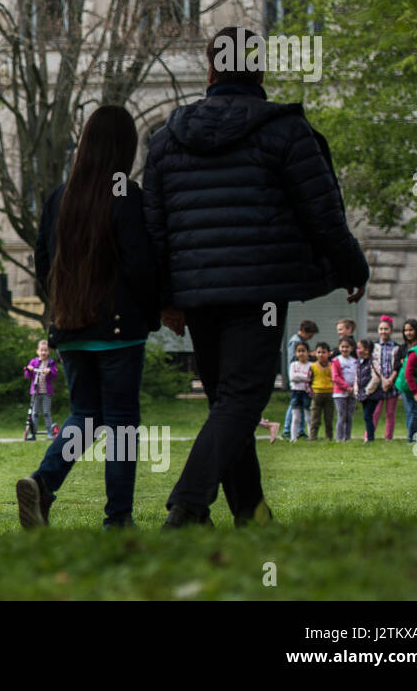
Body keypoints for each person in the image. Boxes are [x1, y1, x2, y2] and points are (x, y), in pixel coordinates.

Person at [143, 26, 368, 527]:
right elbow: (323, 212)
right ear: (260, 69)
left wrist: (165, 295)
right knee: (242, 399)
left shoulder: (165, 140)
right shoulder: (285, 131)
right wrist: (352, 267)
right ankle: (188, 503)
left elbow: (153, 227)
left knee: (228, 400)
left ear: (210, 69)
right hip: (261, 288)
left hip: (197, 292)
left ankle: (250, 511)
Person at [16, 105, 160, 530]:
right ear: (124, 148)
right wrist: (151, 311)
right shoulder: (124, 194)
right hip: (117, 333)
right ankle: (118, 518)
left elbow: (44, 259)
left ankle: (42, 484)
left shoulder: (60, 196)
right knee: (120, 428)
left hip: (72, 329)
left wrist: (63, 304)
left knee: (85, 415)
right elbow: (139, 264)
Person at [281, 320, 319, 440]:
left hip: (303, 385)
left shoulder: (300, 341)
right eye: (310, 334)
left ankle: (300, 430)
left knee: (301, 408)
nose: (310, 337)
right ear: (304, 331)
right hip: (296, 383)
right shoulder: (295, 342)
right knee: (294, 408)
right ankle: (287, 429)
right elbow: (293, 359)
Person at [370, 316, 402, 441]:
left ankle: (388, 437)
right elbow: (373, 364)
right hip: (378, 384)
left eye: (386, 329)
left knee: (390, 412)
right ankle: (370, 435)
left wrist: (390, 380)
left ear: (391, 330)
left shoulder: (397, 347)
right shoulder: (374, 346)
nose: (383, 331)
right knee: (375, 412)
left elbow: (398, 365)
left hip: (392, 383)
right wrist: (382, 379)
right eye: (381, 329)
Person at [23, 341, 57, 440]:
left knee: (46, 412)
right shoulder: (34, 362)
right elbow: (27, 376)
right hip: (35, 392)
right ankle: (33, 433)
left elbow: (55, 374)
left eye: (45, 350)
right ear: (38, 351)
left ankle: (49, 432)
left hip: (46, 393)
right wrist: (29, 370)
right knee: (34, 413)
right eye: (41, 350)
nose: (43, 352)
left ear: (49, 351)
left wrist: (50, 371)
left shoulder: (51, 363)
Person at [331, 335, 358, 441]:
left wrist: (353, 388)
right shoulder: (336, 361)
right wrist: (347, 387)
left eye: (347, 347)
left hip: (352, 393)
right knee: (341, 415)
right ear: (339, 347)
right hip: (339, 393)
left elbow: (357, 375)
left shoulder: (355, 361)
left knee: (349, 416)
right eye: (342, 347)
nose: (345, 349)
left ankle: (347, 437)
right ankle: (339, 438)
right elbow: (335, 377)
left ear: (351, 348)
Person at [287, 341, 313, 441]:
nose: (301, 353)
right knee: (296, 417)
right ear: (295, 353)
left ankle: (311, 437)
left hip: (307, 392)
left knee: (308, 417)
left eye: (303, 351)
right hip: (295, 392)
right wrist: (305, 377)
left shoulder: (311, 365)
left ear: (308, 352)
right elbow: (292, 377)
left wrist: (300, 377)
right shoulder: (293, 365)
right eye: (299, 351)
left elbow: (311, 378)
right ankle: (293, 438)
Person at [309, 342, 336, 441]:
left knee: (328, 417)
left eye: (323, 352)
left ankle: (329, 437)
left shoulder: (332, 366)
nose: (321, 354)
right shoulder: (312, 366)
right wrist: (311, 392)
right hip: (317, 394)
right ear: (315, 353)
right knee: (315, 417)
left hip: (330, 393)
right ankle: (312, 437)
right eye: (319, 352)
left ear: (329, 353)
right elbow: (309, 380)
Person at [356, 338, 380, 443]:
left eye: (359, 348)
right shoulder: (360, 363)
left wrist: (367, 390)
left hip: (371, 394)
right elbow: (357, 377)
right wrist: (357, 390)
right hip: (363, 394)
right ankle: (369, 437)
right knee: (367, 416)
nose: (357, 350)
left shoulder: (372, 362)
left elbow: (376, 378)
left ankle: (370, 438)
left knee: (367, 415)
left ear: (366, 350)